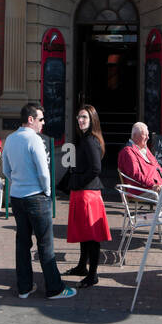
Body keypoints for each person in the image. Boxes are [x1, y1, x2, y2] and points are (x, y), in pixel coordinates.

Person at [1, 103, 75, 300]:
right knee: (45, 244)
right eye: (41, 119)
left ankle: (24, 288)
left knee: (22, 243)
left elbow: (5, 170)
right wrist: (48, 192)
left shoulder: (9, 139)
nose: (44, 123)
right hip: (36, 197)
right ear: (31, 119)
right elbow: (44, 172)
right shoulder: (34, 140)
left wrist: (16, 181)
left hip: (16, 197)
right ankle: (54, 288)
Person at [64, 106, 110, 288]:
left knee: (91, 236)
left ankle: (93, 274)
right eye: (79, 117)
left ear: (92, 119)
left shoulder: (90, 140)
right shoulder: (85, 139)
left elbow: (96, 169)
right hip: (83, 192)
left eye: (84, 117)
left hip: (88, 193)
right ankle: (82, 266)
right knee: (85, 233)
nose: (80, 120)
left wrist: (78, 181)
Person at [117, 122, 162, 189]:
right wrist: (152, 185)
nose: (148, 138)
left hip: (158, 187)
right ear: (135, 136)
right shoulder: (128, 151)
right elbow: (136, 174)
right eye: (145, 135)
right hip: (144, 190)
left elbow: (157, 167)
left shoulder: (144, 149)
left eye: (148, 135)